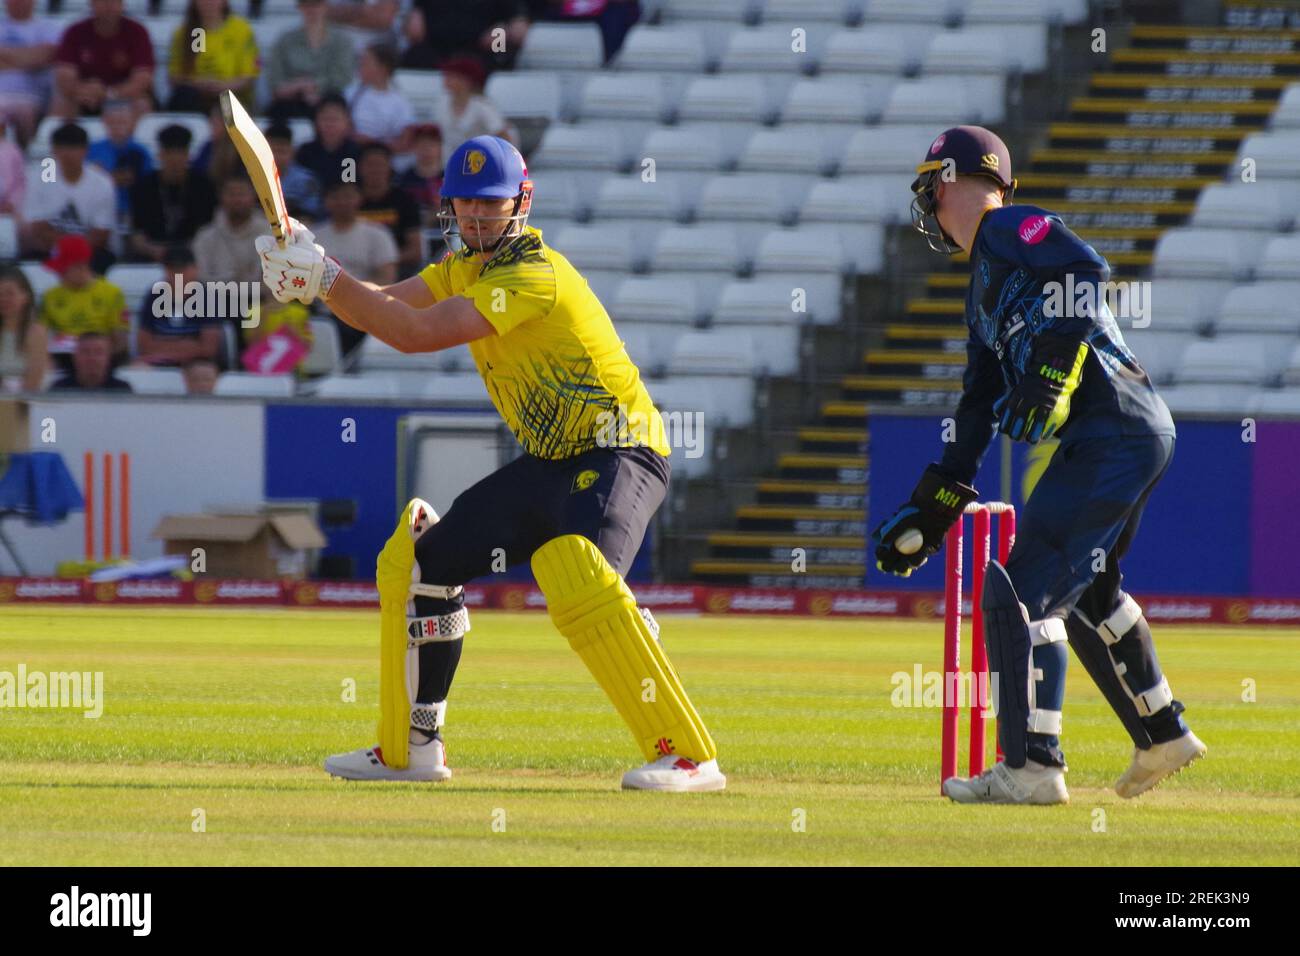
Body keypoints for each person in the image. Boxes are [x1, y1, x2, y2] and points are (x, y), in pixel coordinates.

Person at [256, 135, 724, 791]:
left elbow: (413, 335)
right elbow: (385, 304)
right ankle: (412, 749)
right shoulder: (458, 268)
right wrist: (312, 267)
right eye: (465, 205)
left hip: (623, 450)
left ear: (520, 204)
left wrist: (326, 279)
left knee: (583, 578)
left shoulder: (533, 274)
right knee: (423, 564)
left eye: (490, 205)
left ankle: (688, 757)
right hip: (551, 460)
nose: (476, 218)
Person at [871, 126, 1205, 805]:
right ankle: (1163, 732)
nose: (930, 206)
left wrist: (1051, 373)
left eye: (933, 187)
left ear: (951, 179)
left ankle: (1032, 766)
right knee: (1087, 592)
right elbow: (976, 409)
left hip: (1111, 430)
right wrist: (933, 506)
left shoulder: (1005, 229)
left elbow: (1085, 271)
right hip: (1133, 430)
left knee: (1020, 588)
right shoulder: (980, 293)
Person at [312, 179, 397, 356]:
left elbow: (387, 278)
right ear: (326, 201)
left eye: (348, 196)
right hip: (320, 310)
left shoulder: (377, 234)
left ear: (359, 198)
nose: (342, 202)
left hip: (362, 310)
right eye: (336, 197)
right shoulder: (312, 235)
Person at [20, 123, 117, 274]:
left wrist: (75, 252)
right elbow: (37, 227)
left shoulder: (101, 182)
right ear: (54, 150)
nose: (67, 154)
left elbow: (101, 233)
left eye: (73, 148)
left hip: (88, 252)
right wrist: (65, 249)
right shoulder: (42, 176)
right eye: (61, 148)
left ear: (85, 150)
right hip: (49, 248)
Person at [51, 0, 154, 119]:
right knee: (61, 106)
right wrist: (81, 90)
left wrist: (109, 93)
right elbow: (64, 76)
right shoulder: (75, 32)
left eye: (114, 2)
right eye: (103, 1)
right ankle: (66, 138)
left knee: (142, 104)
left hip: (123, 95)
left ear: (122, 4)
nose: (108, 6)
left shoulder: (137, 31)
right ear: (92, 3)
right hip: (84, 95)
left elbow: (142, 78)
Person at [128, 124, 216, 262]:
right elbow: (136, 232)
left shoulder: (203, 186)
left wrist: (188, 249)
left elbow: (210, 229)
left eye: (180, 154)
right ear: (160, 155)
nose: (175, 161)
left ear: (188, 156)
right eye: (169, 154)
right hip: (152, 251)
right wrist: (153, 250)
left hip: (194, 250)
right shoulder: (143, 186)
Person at [39, 234, 128, 361]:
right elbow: (39, 334)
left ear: (81, 266)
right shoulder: (50, 296)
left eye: (62, 269)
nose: (58, 275)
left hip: (101, 360)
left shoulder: (112, 293)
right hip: (62, 360)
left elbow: (121, 342)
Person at [265, 0, 356, 123]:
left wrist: (314, 86)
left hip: (329, 100)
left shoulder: (342, 42)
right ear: (300, 7)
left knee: (333, 112)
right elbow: (275, 81)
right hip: (290, 101)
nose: (312, 10)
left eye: (316, 4)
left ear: (325, 6)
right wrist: (299, 87)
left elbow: (343, 76)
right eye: (307, 5)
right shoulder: (285, 41)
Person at [134, 245, 222, 367]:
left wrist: (162, 346)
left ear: (195, 269)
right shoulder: (154, 296)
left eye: (182, 269)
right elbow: (143, 345)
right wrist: (188, 345)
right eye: (173, 270)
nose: (178, 275)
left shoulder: (208, 298)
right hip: (158, 361)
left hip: (195, 364)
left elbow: (208, 349)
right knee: (137, 368)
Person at [166, 0, 258, 114]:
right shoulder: (191, 33)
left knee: (227, 104)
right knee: (183, 98)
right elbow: (175, 77)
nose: (208, 2)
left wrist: (223, 86)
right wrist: (198, 84)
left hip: (231, 95)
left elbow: (248, 77)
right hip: (196, 97)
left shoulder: (240, 30)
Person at [0, 0, 63, 145]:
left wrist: (4, 55)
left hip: (32, 97)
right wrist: (27, 57)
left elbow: (45, 56)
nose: (18, 3)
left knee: (23, 114)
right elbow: (34, 58)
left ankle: (24, 154)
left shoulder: (48, 27)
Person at [400, 1, 528, 70]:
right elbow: (415, 18)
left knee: (500, 50)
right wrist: (415, 16)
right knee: (413, 55)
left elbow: (519, 27)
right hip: (438, 48)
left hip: (482, 49)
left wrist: (502, 31)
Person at [356, 142, 421, 276]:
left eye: (380, 164)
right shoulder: (349, 200)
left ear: (390, 167)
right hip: (355, 267)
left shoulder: (405, 201)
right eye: (370, 164)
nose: (375, 169)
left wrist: (384, 260)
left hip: (397, 269)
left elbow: (415, 251)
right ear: (360, 168)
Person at [192, 175, 268, 287]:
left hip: (260, 300)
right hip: (216, 299)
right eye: (231, 194)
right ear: (221, 197)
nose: (237, 200)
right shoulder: (205, 237)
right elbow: (200, 277)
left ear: (254, 196)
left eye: (242, 194)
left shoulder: (269, 234)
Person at [430, 56, 514, 152]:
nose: (446, 79)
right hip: (448, 160)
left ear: (466, 81)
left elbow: (502, 134)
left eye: (452, 76)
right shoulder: (441, 102)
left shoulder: (482, 106)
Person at [88, 98, 154, 219]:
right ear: (104, 122)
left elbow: (147, 185)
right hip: (96, 209)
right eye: (113, 122)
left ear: (132, 122)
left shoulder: (141, 152)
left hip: (133, 211)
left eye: (123, 121)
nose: (118, 126)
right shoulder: (91, 150)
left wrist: (104, 175)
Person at [344, 42, 413, 152]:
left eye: (366, 63)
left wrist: (372, 143)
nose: (360, 67)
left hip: (382, 159)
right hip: (350, 155)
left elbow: (405, 143)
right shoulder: (350, 93)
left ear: (383, 68)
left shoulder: (400, 103)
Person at [294, 94, 359, 193]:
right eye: (325, 119)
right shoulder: (305, 152)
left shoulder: (354, 152)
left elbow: (350, 185)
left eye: (335, 119)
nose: (330, 124)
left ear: (347, 122)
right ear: (316, 121)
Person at [0, 263, 48, 393]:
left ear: (25, 296)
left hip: (27, 404)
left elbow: (34, 382)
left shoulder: (35, 332)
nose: (3, 299)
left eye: (9, 293)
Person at [266, 123, 321, 222]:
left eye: (281, 151)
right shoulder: (252, 177)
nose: (276, 156)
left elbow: (311, 212)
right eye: (272, 151)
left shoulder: (306, 179)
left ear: (292, 152)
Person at [48, 331, 132, 391]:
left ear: (108, 357)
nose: (92, 358)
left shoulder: (122, 391)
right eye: (85, 351)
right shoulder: (59, 390)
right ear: (75, 357)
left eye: (98, 352)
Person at [397, 123, 443, 226]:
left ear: (440, 147)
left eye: (432, 144)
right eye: (422, 145)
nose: (427, 149)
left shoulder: (450, 179)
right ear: (414, 147)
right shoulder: (403, 179)